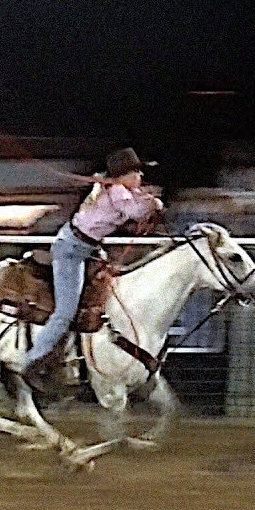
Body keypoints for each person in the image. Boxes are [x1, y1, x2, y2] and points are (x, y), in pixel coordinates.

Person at [22, 147, 163, 384]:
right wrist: (154, 203)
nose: (140, 177)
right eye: (137, 172)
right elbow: (135, 212)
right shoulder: (118, 192)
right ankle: (33, 359)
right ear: (124, 175)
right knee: (65, 313)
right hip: (73, 251)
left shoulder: (115, 189)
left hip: (86, 247)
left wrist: (146, 197)